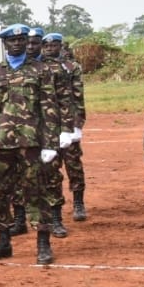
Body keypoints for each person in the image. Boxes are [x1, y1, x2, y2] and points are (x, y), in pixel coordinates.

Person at [0, 24, 62, 265]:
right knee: (0, 195)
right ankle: (3, 242)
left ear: (26, 42)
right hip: (1, 145)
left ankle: (43, 244)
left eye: (21, 40)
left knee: (37, 192)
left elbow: (49, 107)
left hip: (31, 143)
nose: (17, 44)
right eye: (12, 41)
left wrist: (51, 144)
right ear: (5, 44)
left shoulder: (41, 70)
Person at [44, 33, 88, 222]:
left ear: (60, 46)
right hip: (48, 124)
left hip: (69, 122)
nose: (50, 49)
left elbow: (78, 97)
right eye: (47, 46)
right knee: (51, 167)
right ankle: (54, 209)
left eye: (54, 45)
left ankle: (78, 202)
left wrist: (78, 124)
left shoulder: (71, 67)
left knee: (73, 164)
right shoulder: (39, 66)